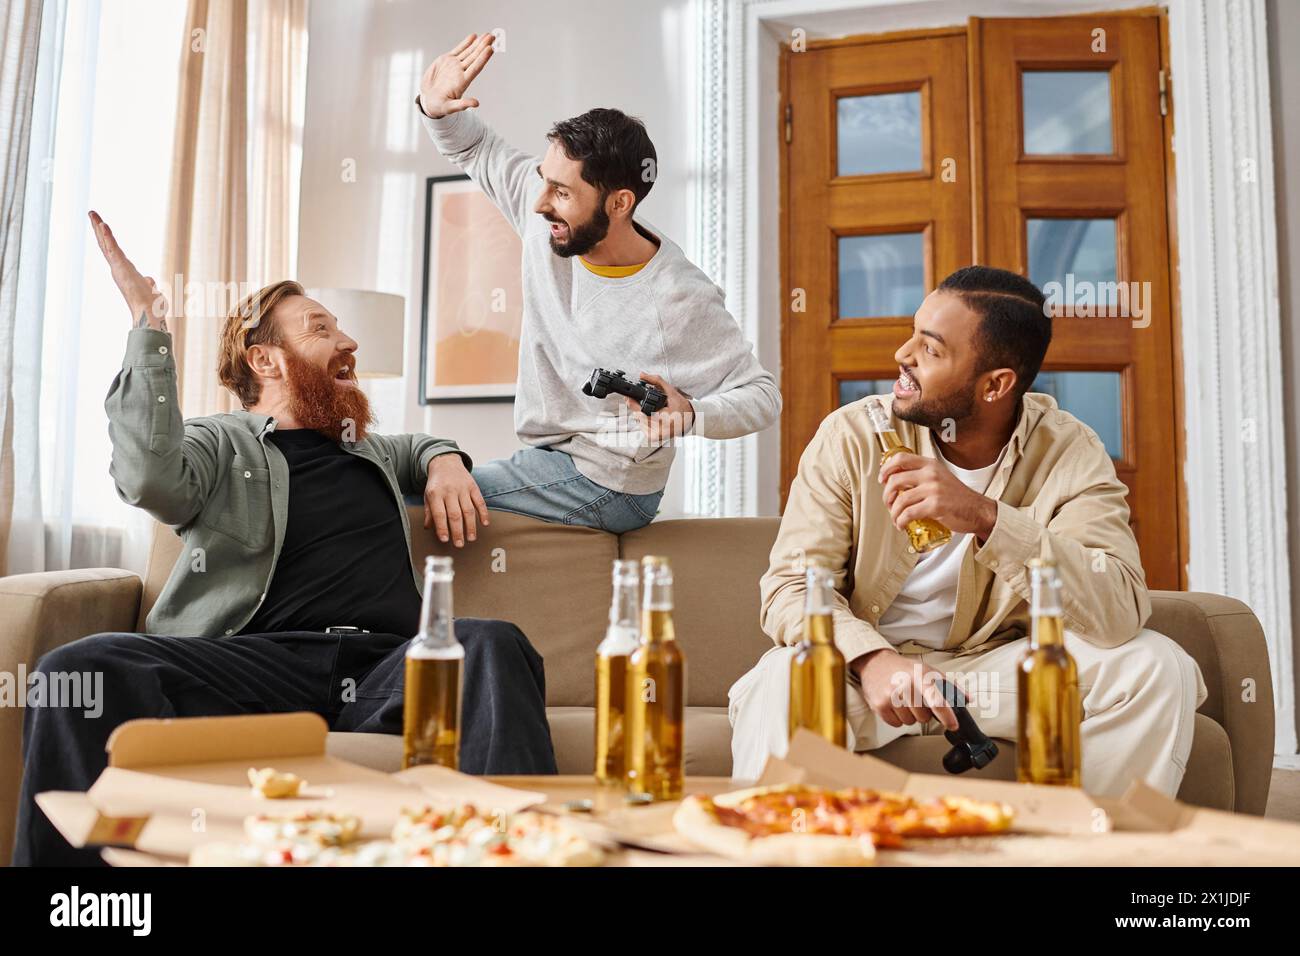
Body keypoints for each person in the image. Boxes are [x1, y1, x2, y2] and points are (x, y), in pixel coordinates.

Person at [11, 212, 557, 867]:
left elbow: (420, 443)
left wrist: (444, 460)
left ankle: (531, 857)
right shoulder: (220, 441)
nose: (346, 341)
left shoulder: (372, 450)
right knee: (77, 669)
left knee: (495, 643)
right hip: (254, 666)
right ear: (265, 359)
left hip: (387, 669)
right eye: (320, 328)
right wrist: (149, 328)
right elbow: (149, 479)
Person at [728, 266, 1208, 798]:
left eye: (930, 350)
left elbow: (1117, 610)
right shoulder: (853, 435)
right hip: (863, 679)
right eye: (913, 333)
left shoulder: (1069, 450)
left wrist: (986, 518)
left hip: (993, 674)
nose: (902, 356)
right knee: (781, 679)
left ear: (995, 384)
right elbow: (791, 589)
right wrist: (873, 659)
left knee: (1158, 666)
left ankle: (1088, 853)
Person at [415, 32, 780, 538]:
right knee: (411, 479)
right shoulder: (544, 211)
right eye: (545, 180)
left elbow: (762, 395)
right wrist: (436, 108)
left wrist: (692, 412)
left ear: (619, 203)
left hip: (611, 483)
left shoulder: (678, 296)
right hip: (546, 459)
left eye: (561, 191)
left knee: (413, 502)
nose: (540, 202)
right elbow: (474, 144)